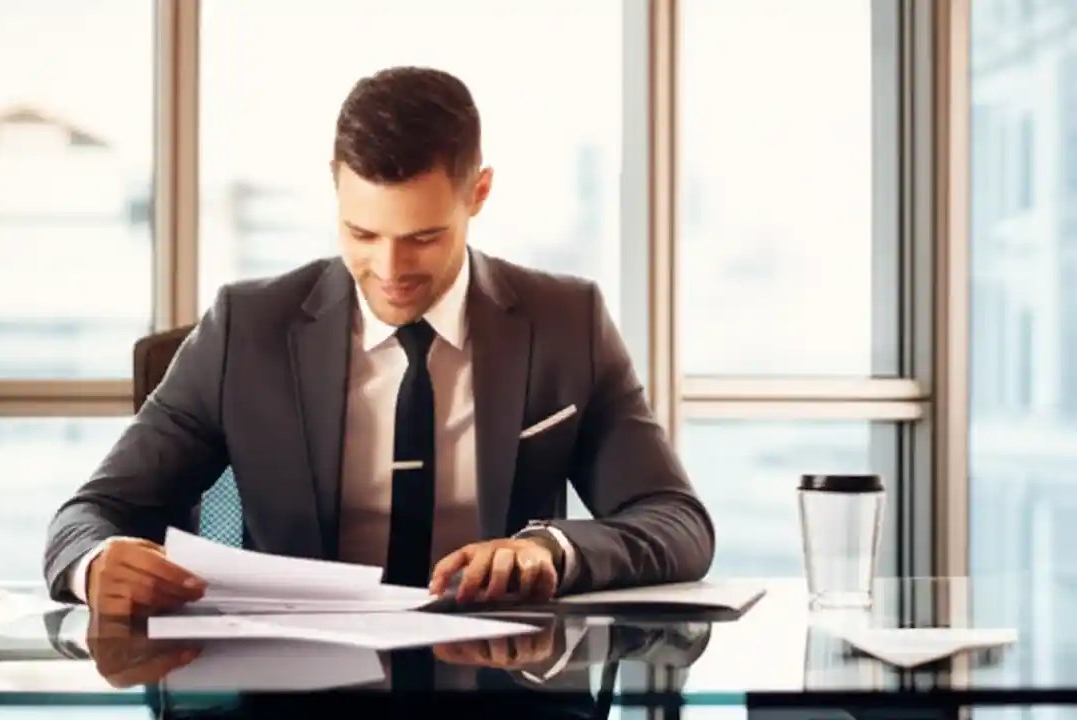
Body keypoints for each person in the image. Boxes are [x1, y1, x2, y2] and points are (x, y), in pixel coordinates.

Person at [43, 65, 714, 617]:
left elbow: (675, 521)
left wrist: (550, 551)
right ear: (335, 184)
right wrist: (95, 564)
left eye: (423, 237)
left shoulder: (567, 323)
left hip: (502, 685)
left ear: (478, 193)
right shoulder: (245, 331)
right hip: (296, 691)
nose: (390, 270)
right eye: (362, 234)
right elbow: (92, 514)